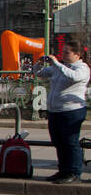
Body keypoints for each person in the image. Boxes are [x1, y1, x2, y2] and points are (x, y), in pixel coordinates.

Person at [36, 40, 88, 183]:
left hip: (71, 111)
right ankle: (63, 171)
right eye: (62, 52)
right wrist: (38, 64)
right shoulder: (61, 67)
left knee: (70, 142)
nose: (63, 55)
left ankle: (74, 173)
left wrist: (56, 63)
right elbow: (40, 74)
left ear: (77, 55)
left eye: (67, 52)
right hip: (55, 110)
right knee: (58, 142)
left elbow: (74, 77)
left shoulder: (82, 68)